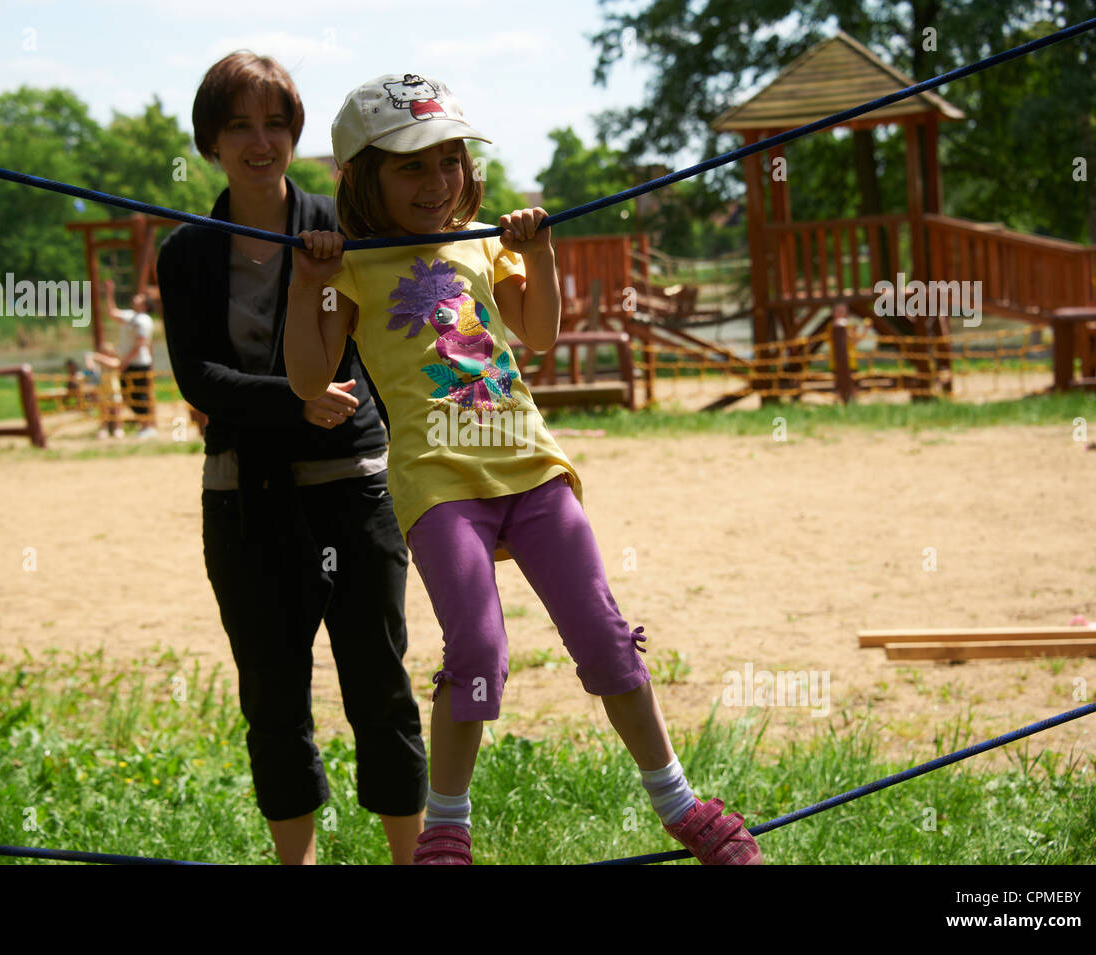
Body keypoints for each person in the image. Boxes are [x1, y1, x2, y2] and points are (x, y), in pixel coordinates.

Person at [284, 73, 763, 865]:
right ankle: (446, 825)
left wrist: (539, 255)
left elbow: (537, 334)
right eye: (410, 167)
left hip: (532, 467)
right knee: (476, 648)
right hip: (438, 479)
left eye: (448, 161)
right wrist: (308, 286)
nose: (437, 183)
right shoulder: (353, 266)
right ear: (361, 177)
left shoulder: (483, 243)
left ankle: (678, 801)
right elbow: (309, 377)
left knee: (608, 639)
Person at [157, 53, 427, 865]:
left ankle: (416, 860)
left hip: (354, 489)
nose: (259, 140)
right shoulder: (187, 252)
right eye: (238, 124)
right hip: (245, 499)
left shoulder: (342, 231)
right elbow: (196, 375)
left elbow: (388, 339)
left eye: (275, 122)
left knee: (380, 688)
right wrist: (293, 396)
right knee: (273, 701)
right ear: (211, 140)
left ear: (296, 132)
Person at [102, 279, 157, 438]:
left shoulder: (143, 320)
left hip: (139, 363)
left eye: (140, 297)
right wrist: (109, 293)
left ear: (145, 304)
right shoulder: (131, 317)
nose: (136, 297)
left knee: (140, 394)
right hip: (129, 363)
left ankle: (147, 426)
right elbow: (111, 313)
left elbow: (140, 344)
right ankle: (143, 425)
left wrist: (123, 362)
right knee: (128, 395)